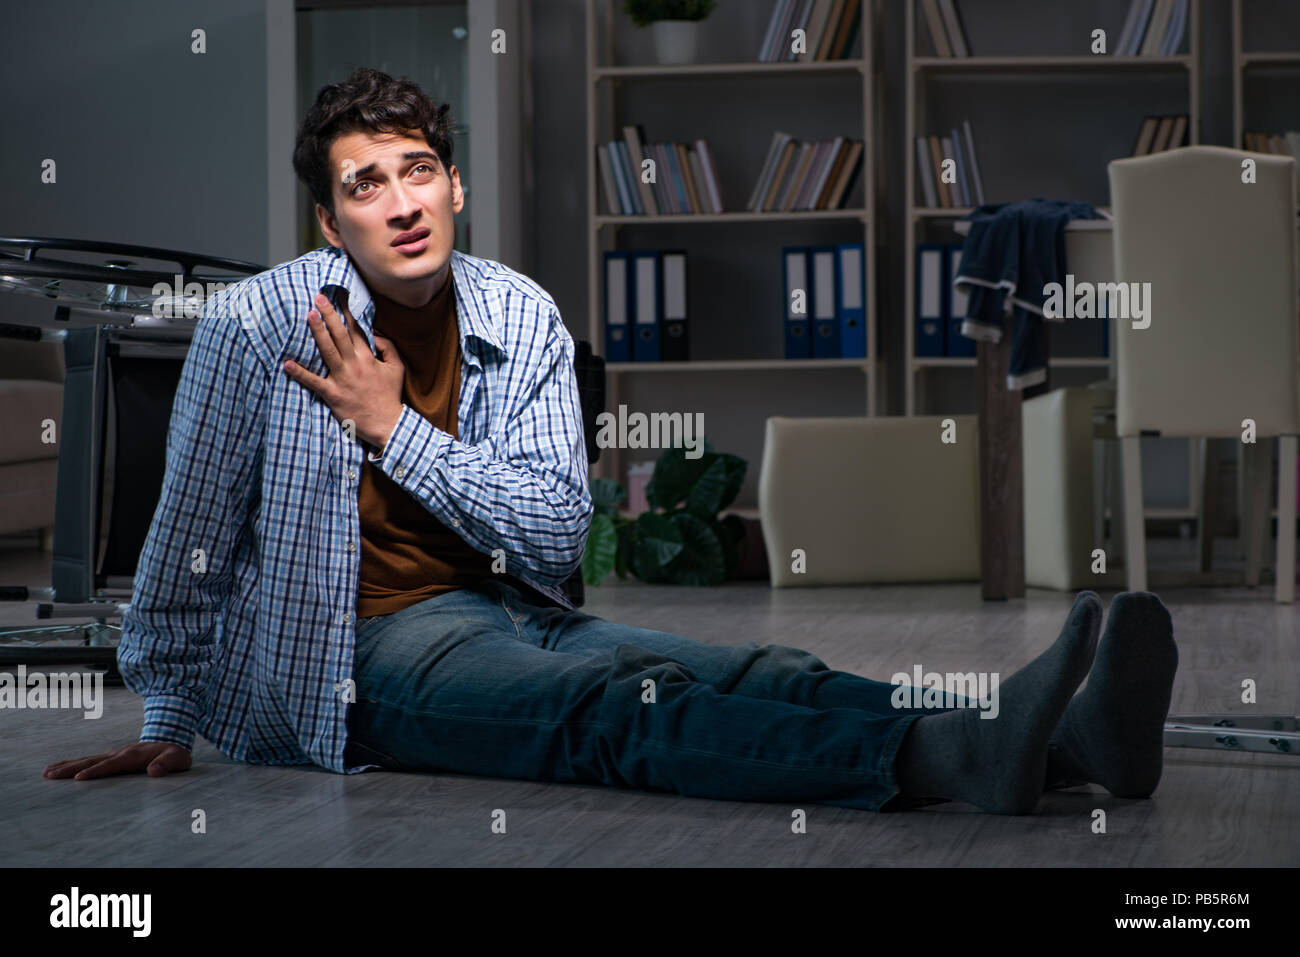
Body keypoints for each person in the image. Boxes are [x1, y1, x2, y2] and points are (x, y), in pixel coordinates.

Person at [43, 69, 1178, 815]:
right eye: (365, 184)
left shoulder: (519, 312)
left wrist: (395, 429)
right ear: (329, 220)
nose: (400, 202)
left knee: (749, 666)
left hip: (504, 608)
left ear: (456, 187)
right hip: (340, 660)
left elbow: (551, 527)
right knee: (618, 712)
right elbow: (185, 534)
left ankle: (1066, 744)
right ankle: (958, 759)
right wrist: (171, 717)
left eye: (418, 170)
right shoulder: (254, 326)